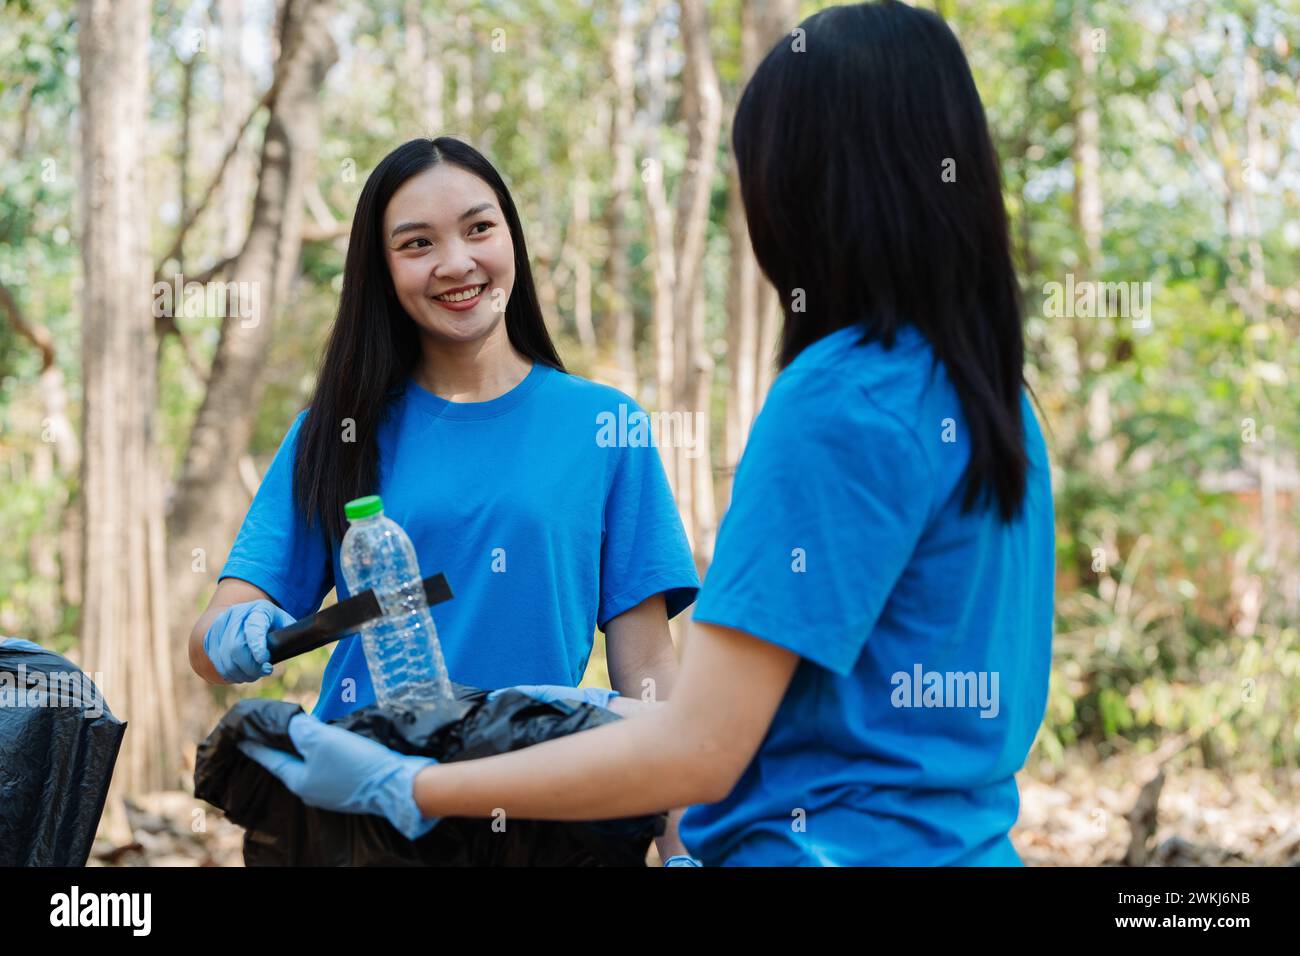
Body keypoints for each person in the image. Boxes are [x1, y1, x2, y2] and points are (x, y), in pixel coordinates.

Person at [239, 0, 1056, 866]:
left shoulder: (835, 401)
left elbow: (698, 741)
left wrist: (407, 787)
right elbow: (728, 717)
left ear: (811, 185)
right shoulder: (998, 400)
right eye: (416, 243)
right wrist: (524, 715)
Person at [188, 137, 700, 861]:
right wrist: (235, 634)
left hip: (538, 815)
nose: (455, 263)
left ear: (511, 239)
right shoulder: (335, 433)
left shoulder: (602, 427)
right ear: (383, 268)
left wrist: (682, 846)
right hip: (359, 812)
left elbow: (648, 670)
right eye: (417, 243)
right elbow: (212, 639)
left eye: (478, 228)